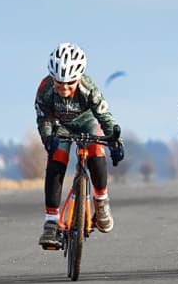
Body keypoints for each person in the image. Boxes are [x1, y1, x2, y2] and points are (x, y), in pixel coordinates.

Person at [36, 43, 124, 250]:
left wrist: (115, 141)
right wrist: (48, 137)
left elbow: (104, 116)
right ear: (52, 78)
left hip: (86, 122)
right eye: (59, 84)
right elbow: (43, 118)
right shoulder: (45, 89)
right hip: (60, 126)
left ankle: (101, 201)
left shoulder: (88, 88)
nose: (64, 89)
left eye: (70, 84)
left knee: (95, 149)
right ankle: (51, 220)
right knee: (57, 158)